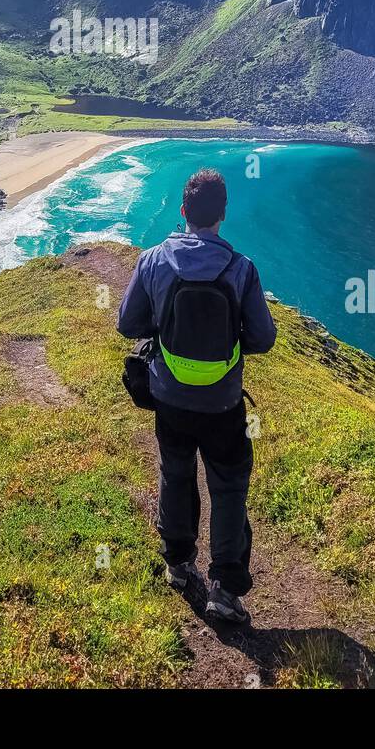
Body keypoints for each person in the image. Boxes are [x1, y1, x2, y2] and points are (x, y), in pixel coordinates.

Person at [117, 168, 276, 625]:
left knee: (176, 473)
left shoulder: (152, 260)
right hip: (224, 404)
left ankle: (178, 563)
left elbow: (128, 325)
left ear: (183, 211)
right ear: (222, 215)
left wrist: (164, 329)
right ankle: (225, 589)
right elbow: (263, 339)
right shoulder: (241, 269)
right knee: (228, 487)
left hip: (170, 397)